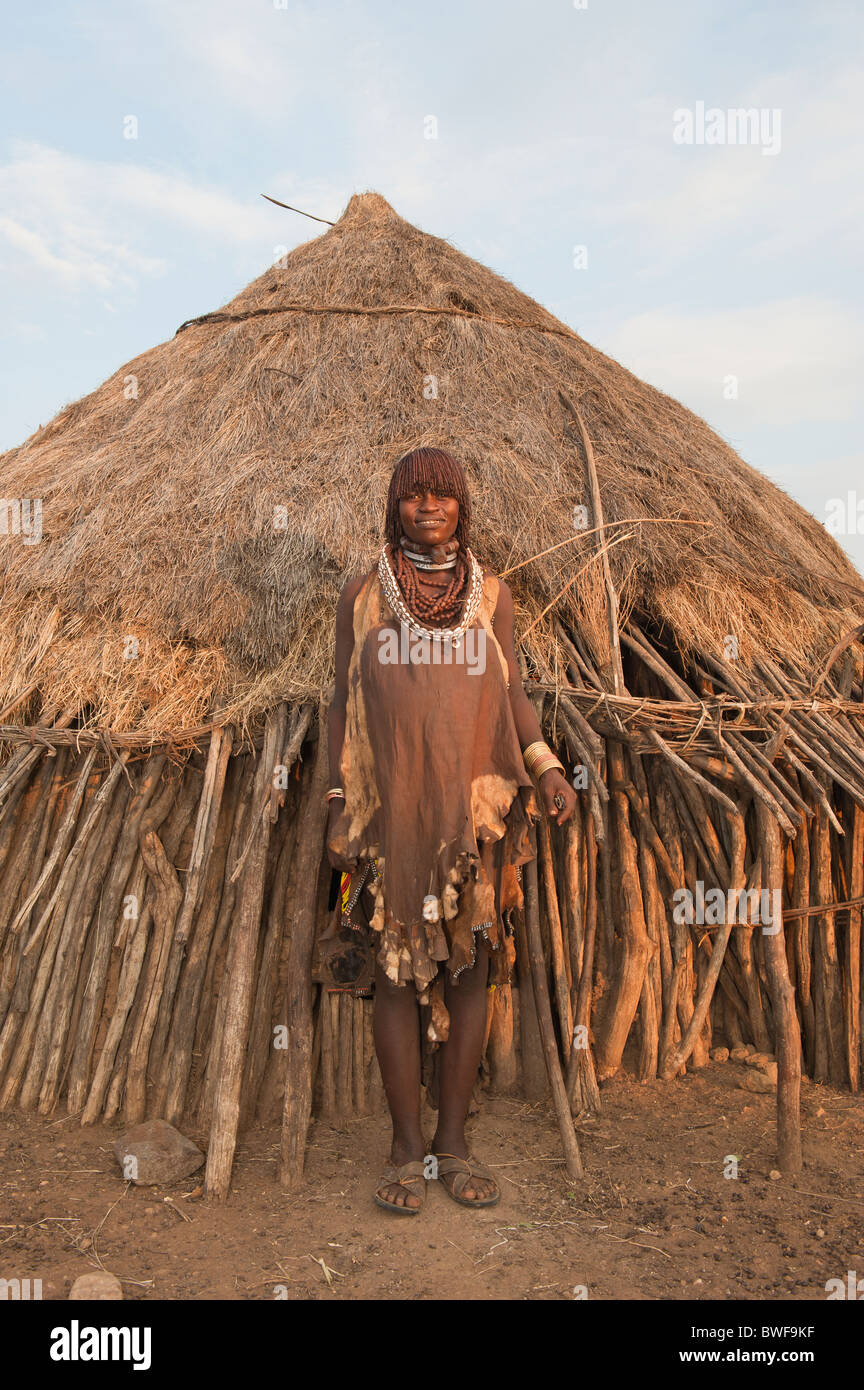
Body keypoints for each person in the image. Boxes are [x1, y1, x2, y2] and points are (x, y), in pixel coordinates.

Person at [326, 446, 577, 1213]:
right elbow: (340, 701)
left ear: (463, 506)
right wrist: (337, 795)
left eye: (443, 496)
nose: (428, 508)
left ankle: (453, 1146)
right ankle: (404, 1150)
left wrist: (546, 769)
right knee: (398, 971)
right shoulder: (364, 595)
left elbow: (514, 695)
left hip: (476, 815)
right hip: (394, 812)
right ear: (392, 505)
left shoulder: (492, 595)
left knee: (469, 968)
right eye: (412, 496)